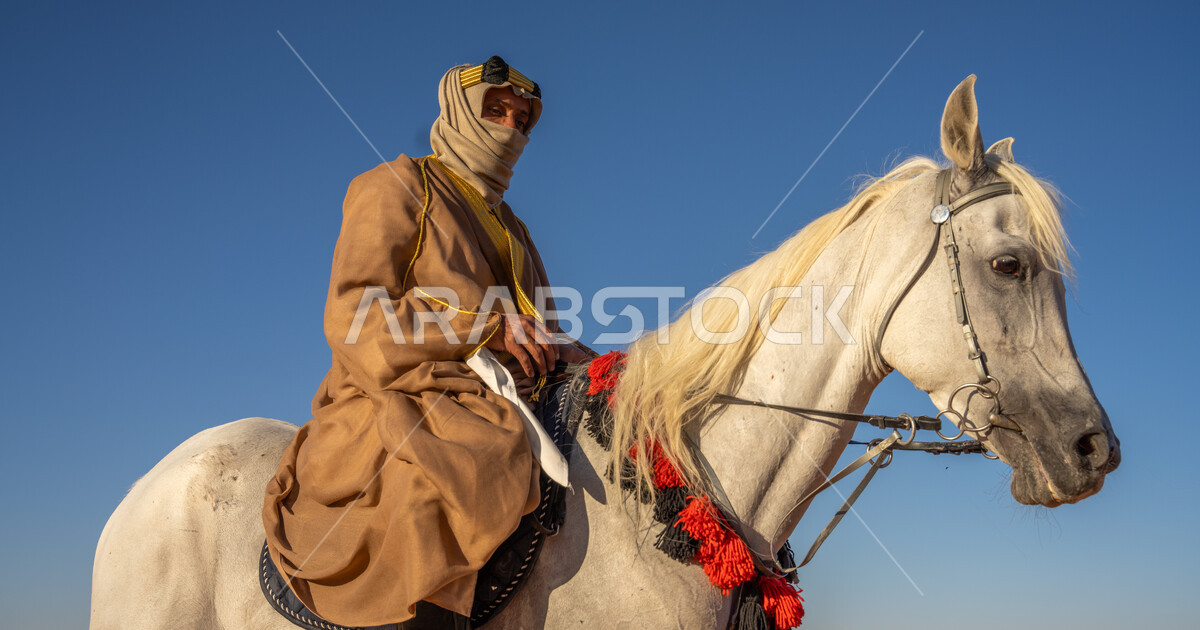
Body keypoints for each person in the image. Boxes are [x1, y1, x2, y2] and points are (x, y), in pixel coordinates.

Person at [262, 56, 589, 629]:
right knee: (434, 490)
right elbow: (355, 315)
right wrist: (486, 327)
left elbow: (539, 328)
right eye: (495, 111)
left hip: (503, 397)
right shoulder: (397, 185)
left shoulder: (513, 226)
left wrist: (578, 354)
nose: (510, 129)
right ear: (459, 111)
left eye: (522, 120)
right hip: (401, 391)